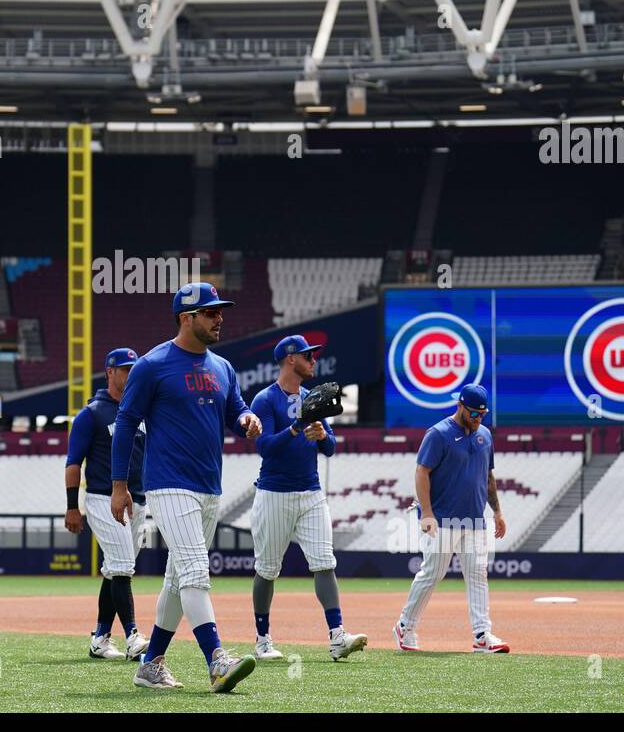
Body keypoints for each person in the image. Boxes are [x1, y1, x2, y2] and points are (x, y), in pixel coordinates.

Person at [111, 282, 262, 693]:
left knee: (179, 579)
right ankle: (217, 661)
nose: (220, 318)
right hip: (168, 483)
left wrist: (248, 421)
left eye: (219, 311)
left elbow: (237, 411)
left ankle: (150, 663)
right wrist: (119, 485)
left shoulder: (223, 367)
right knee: (196, 570)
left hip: (209, 485)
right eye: (211, 312)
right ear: (186, 317)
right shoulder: (153, 364)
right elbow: (125, 423)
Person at [248, 335, 367, 662]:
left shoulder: (309, 397)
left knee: (325, 563)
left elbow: (330, 447)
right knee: (267, 569)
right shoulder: (265, 400)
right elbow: (264, 448)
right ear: (289, 359)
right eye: (307, 355)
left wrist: (321, 434)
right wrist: (298, 428)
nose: (313, 360)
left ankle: (337, 636)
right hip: (274, 493)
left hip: (311, 492)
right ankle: (262, 639)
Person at [393, 383, 510, 654]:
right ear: (460, 406)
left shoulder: (484, 435)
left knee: (478, 573)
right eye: (474, 413)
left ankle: (482, 634)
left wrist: (498, 511)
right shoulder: (438, 434)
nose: (478, 419)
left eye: (483, 414)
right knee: (433, 573)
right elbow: (422, 472)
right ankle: (405, 626)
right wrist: (427, 513)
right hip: (442, 518)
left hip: (474, 520)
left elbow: (488, 476)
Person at [65, 347, 147, 661]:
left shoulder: (141, 410)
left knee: (115, 570)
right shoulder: (92, 413)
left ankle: (100, 637)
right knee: (124, 565)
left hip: (137, 499)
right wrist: (73, 507)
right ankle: (133, 637)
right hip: (102, 497)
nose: (130, 374)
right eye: (125, 369)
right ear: (109, 372)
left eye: (134, 369)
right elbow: (73, 463)